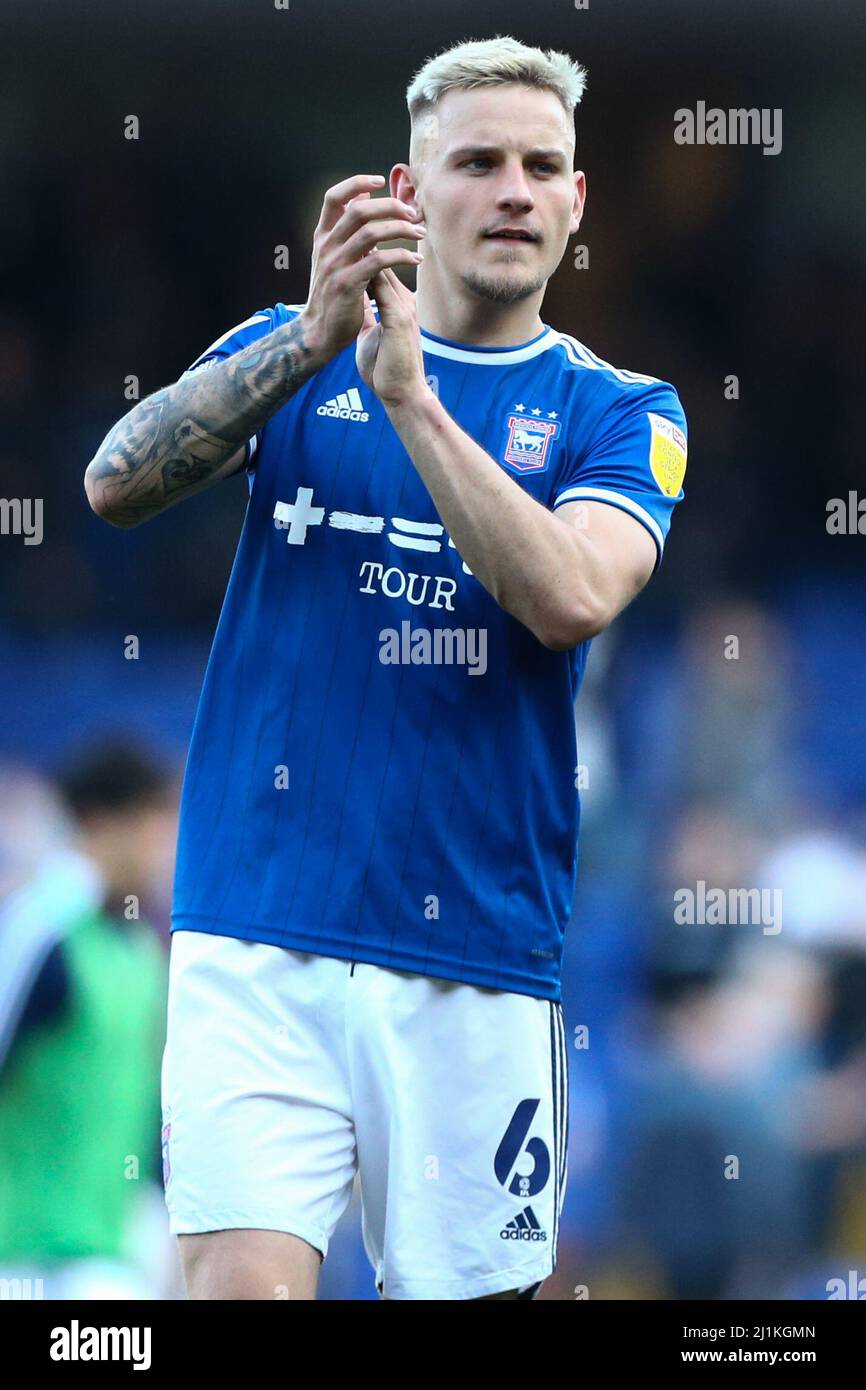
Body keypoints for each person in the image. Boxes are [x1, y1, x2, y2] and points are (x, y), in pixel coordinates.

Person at [84, 35, 687, 1300]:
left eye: (541, 166)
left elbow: (571, 596)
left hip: (473, 949)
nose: (512, 190)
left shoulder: (622, 410)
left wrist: (412, 403)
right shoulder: (290, 354)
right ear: (407, 195)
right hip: (258, 928)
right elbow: (113, 482)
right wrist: (312, 342)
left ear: (577, 203)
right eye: (477, 162)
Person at [0, 740, 175, 1298]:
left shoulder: (142, 952)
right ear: (99, 823)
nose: (162, 848)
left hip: (107, 1259)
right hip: (23, 1259)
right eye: (150, 824)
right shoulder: (40, 931)